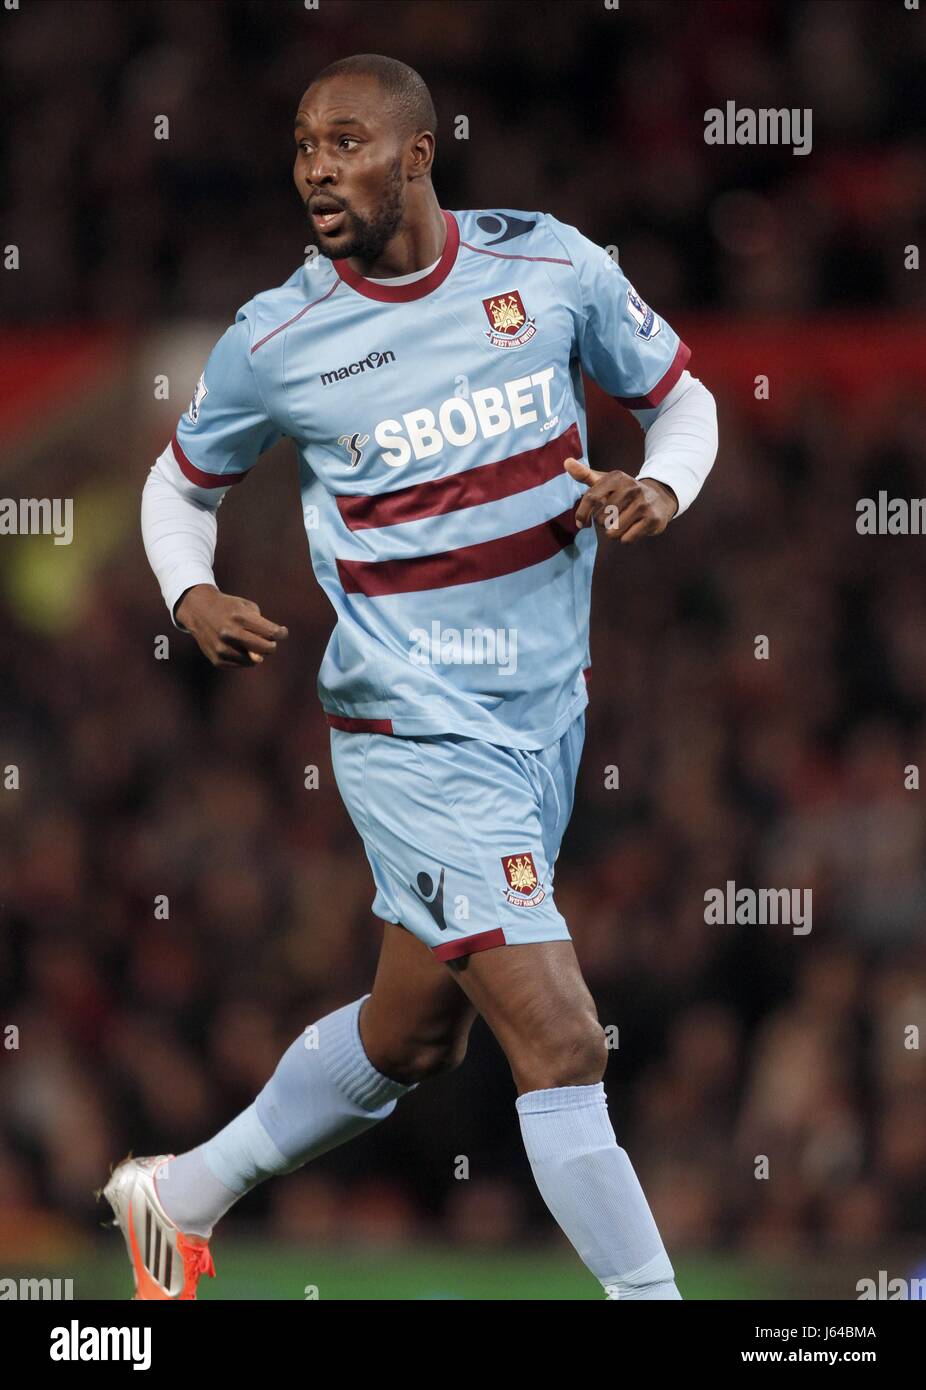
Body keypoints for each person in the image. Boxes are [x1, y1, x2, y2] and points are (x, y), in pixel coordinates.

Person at [105, 53, 718, 1301]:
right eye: (299, 147)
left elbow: (683, 399)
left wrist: (659, 484)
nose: (315, 170)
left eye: (342, 142)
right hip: (409, 728)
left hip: (544, 716)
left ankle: (177, 1195)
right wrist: (191, 591)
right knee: (558, 1039)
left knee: (412, 1037)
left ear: (417, 153)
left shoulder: (546, 267)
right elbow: (179, 483)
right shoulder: (278, 337)